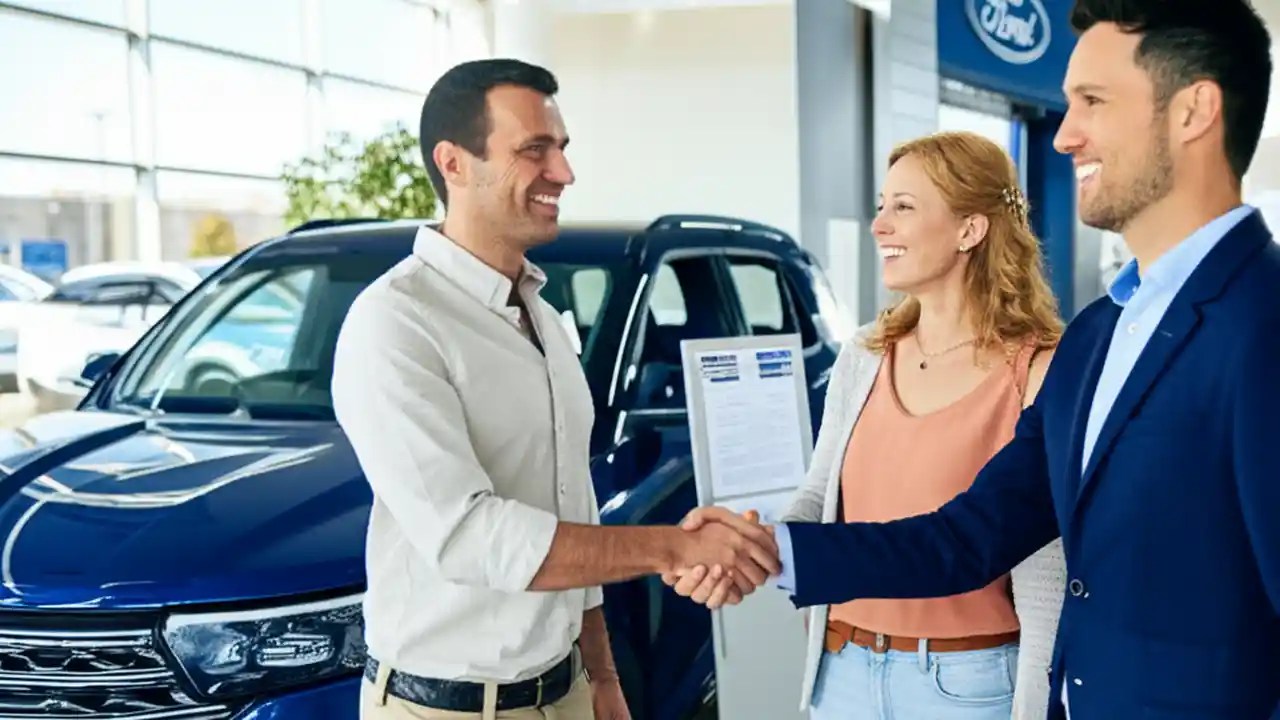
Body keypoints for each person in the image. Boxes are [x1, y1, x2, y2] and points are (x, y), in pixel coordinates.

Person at [673, 1, 1279, 718]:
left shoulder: (1262, 322)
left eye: (1093, 102)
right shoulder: (1098, 336)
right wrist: (776, 549)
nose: (1065, 137)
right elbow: (969, 537)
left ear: (1193, 111)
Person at [330, 58, 779, 720]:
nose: (564, 174)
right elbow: (470, 536)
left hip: (564, 690)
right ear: (453, 163)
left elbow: (575, 501)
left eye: (562, 149)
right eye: (534, 150)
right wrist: (680, 546)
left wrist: (601, 675)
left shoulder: (540, 312)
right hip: (444, 709)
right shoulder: (395, 321)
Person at [670, 131, 1067, 720]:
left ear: (970, 230)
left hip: (968, 685)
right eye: (881, 206)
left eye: (903, 207)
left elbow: (1043, 580)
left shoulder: (1037, 372)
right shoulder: (867, 353)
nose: (879, 225)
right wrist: (750, 548)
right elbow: (817, 497)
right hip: (844, 670)